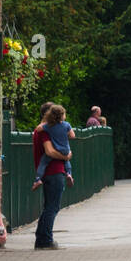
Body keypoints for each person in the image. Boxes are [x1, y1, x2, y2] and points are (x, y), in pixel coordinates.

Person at [33, 102, 70, 250]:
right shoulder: (45, 131)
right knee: (52, 207)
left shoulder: (42, 130)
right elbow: (49, 151)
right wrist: (66, 157)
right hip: (54, 171)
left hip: (49, 172)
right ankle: (46, 240)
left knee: (48, 207)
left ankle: (41, 238)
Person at [33, 104, 75, 190]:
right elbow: (72, 136)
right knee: (66, 161)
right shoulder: (66, 125)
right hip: (65, 152)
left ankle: (38, 179)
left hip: (56, 150)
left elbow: (38, 129)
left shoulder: (48, 127)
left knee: (43, 162)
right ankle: (69, 174)